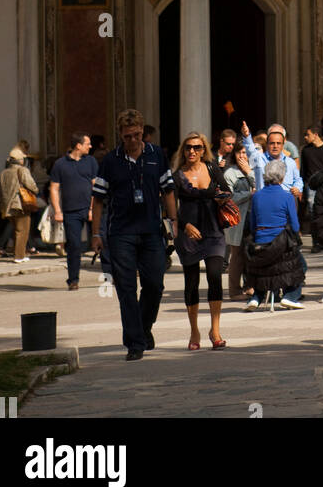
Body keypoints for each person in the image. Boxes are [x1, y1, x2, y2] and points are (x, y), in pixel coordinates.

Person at [91, 108, 177, 361]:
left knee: (154, 285)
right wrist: (96, 233)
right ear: (120, 134)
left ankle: (142, 328)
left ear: (143, 132)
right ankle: (135, 343)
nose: (133, 140)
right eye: (127, 136)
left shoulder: (156, 155)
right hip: (121, 233)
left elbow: (168, 191)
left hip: (151, 231)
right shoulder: (110, 161)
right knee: (126, 288)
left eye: (137, 135)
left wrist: (173, 223)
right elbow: (98, 200)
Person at [172, 132, 230, 349]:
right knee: (192, 282)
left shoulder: (213, 169)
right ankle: (194, 331)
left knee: (215, 276)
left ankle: (215, 330)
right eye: (188, 147)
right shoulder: (177, 176)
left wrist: (220, 196)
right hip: (189, 233)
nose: (192, 151)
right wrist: (184, 225)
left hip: (213, 230)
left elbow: (227, 191)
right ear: (183, 150)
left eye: (197, 147)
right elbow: (168, 208)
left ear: (204, 150)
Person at [245, 159, 304, 311]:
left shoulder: (257, 196)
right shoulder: (287, 196)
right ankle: (290, 296)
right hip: (281, 243)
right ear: (282, 177)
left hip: (260, 243)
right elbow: (295, 225)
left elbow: (252, 224)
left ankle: (256, 298)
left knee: (264, 268)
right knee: (301, 264)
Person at [49, 133, 98, 289]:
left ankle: (112, 275)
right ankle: (73, 280)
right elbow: (54, 188)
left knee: (103, 241)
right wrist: (57, 210)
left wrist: (92, 208)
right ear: (78, 145)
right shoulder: (60, 164)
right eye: (87, 143)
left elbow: (95, 186)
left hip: (90, 208)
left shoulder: (91, 161)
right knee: (74, 245)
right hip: (71, 211)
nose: (90, 146)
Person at [221, 142, 254, 301]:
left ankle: (250, 286)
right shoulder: (229, 173)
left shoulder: (255, 170)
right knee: (237, 255)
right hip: (237, 220)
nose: (242, 156)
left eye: (245, 152)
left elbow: (260, 187)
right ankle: (234, 290)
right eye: (239, 153)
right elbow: (229, 197)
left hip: (253, 218)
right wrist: (248, 195)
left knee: (252, 253)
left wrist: (250, 173)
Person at [241, 122, 303, 202]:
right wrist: (247, 136)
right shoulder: (259, 159)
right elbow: (250, 151)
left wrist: (297, 188)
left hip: (285, 203)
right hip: (265, 202)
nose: (275, 146)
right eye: (272, 143)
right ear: (267, 144)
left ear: (283, 145)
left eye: (278, 143)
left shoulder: (290, 162)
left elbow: (298, 179)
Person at [0, 147, 38, 263]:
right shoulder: (22, 170)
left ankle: (17, 254)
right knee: (22, 231)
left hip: (7, 205)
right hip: (20, 204)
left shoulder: (4, 172)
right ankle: (19, 256)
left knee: (16, 230)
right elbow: (31, 184)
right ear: (20, 160)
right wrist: (35, 190)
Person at [300, 123, 323, 223]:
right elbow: (303, 170)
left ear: (315, 135)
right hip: (311, 185)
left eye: (308, 134)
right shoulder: (306, 150)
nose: (305, 137)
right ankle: (316, 229)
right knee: (312, 208)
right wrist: (302, 187)